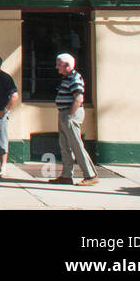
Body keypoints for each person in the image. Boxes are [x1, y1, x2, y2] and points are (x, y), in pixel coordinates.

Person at [53, 52, 98, 186]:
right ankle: (66, 175)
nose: (57, 67)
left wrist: (70, 115)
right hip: (64, 113)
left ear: (67, 65)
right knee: (65, 145)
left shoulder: (75, 78)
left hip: (70, 114)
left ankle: (90, 175)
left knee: (76, 145)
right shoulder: (67, 78)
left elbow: (78, 98)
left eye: (59, 64)